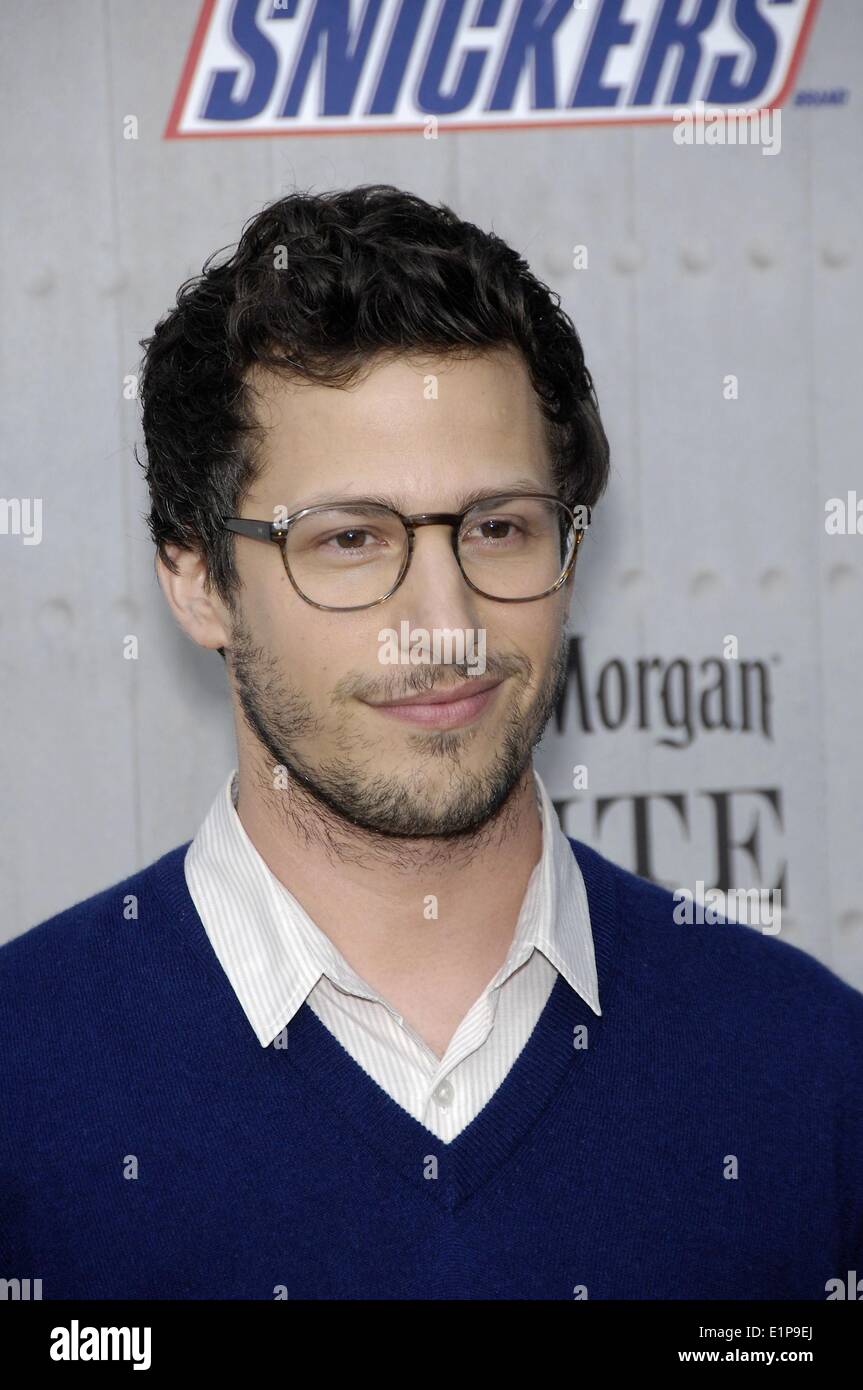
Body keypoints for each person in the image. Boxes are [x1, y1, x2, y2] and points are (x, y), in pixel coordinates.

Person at [1, 185, 861, 1301]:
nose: (444, 624)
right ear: (198, 580)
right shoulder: (25, 1088)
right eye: (350, 539)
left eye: (498, 527)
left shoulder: (805, 1070)